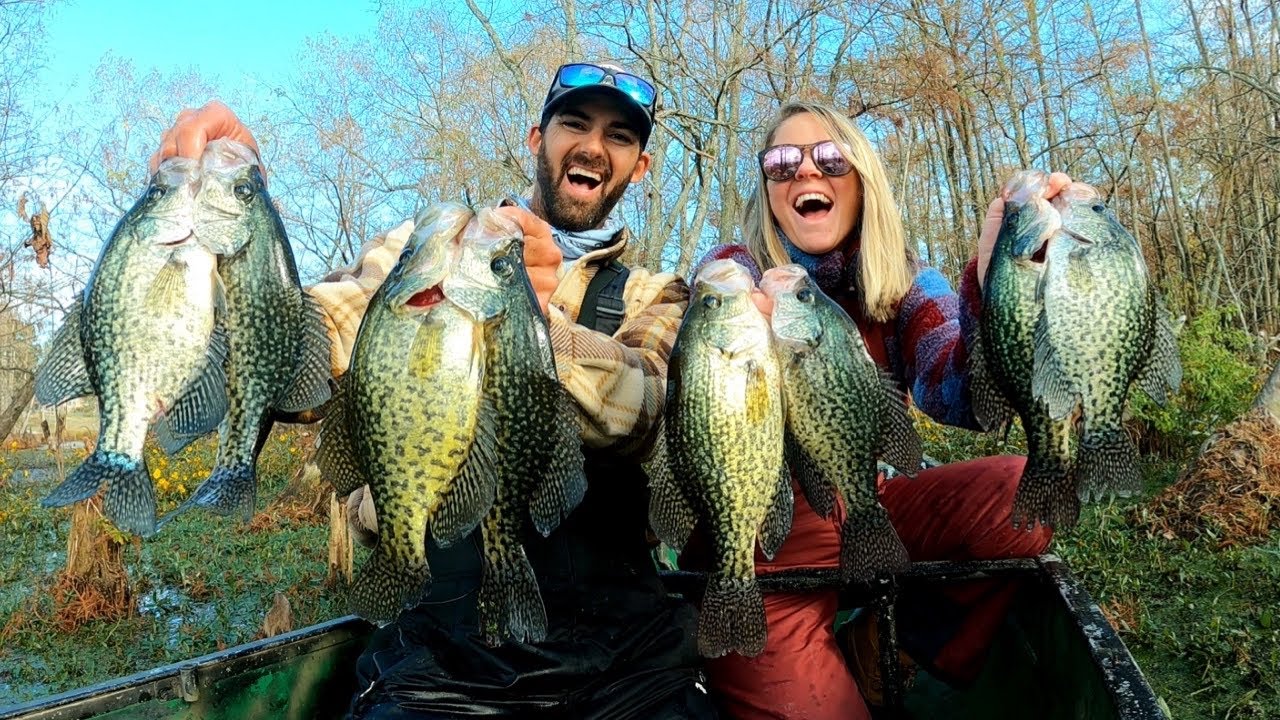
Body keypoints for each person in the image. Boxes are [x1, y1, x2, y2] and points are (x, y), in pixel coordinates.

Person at [150, 61, 720, 719]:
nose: (593, 145)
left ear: (639, 168)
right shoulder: (421, 249)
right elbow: (314, 346)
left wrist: (534, 323)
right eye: (574, 123)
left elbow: (651, 411)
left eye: (619, 135)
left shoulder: (659, 295)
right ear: (536, 141)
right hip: (440, 673)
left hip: (630, 672)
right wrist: (236, 218)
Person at [689, 100, 1069, 720]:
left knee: (1018, 496)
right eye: (781, 163)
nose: (805, 174)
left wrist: (999, 279)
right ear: (767, 189)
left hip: (868, 505)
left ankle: (880, 653)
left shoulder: (907, 281)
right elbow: (713, 296)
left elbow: (960, 392)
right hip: (766, 546)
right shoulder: (738, 271)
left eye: (830, 158)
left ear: (861, 176)